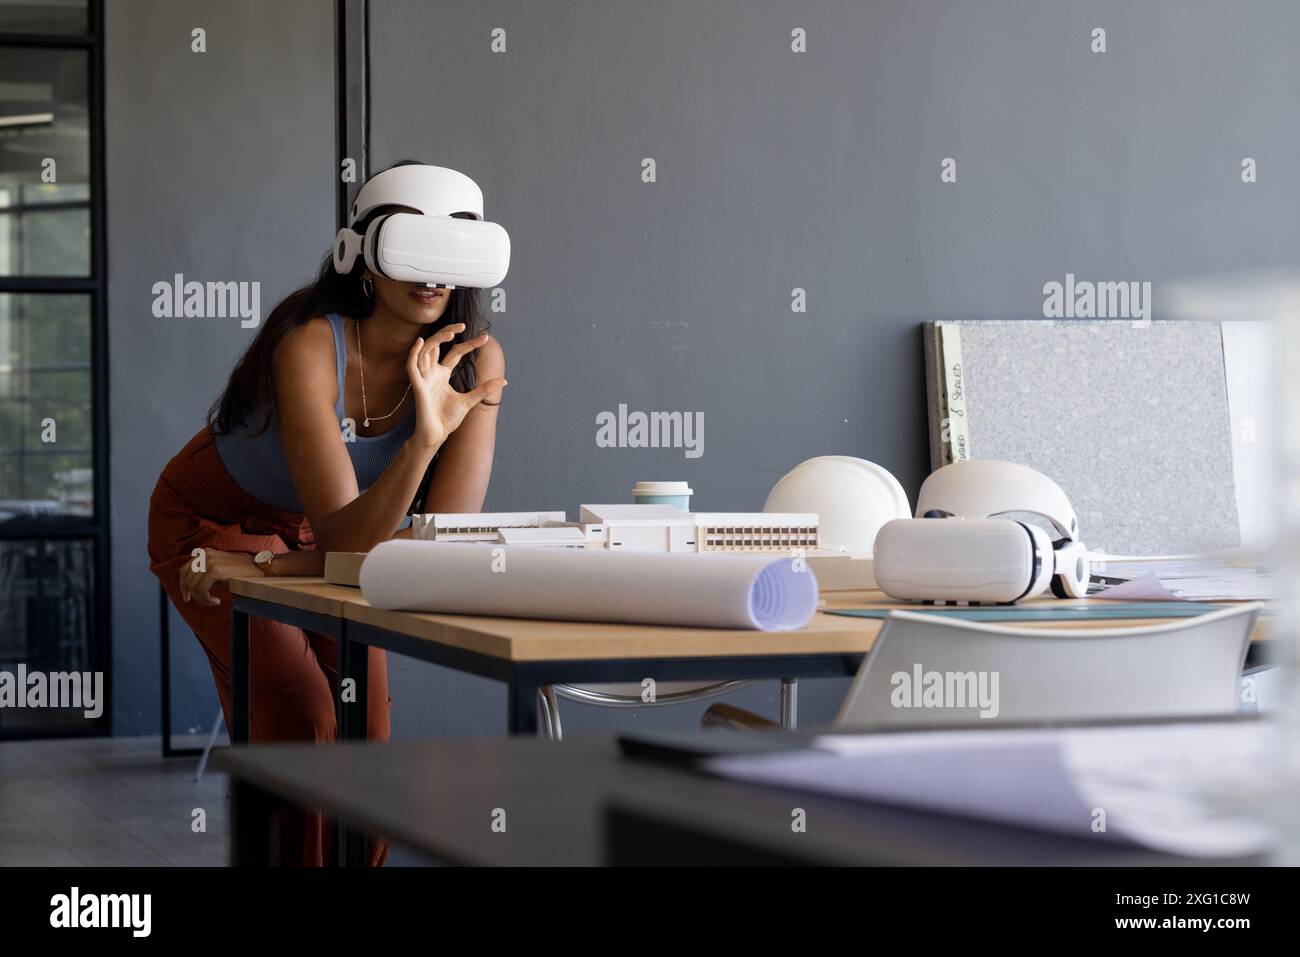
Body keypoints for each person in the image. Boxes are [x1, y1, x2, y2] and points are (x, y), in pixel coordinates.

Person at [147, 162, 507, 865]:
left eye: (450, 255)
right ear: (363, 257)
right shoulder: (310, 343)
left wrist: (271, 565)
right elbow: (349, 536)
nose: (434, 277)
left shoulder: (475, 359)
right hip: (211, 521)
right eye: (413, 249)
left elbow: (440, 542)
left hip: (320, 540)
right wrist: (425, 439)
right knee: (305, 716)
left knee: (366, 724)